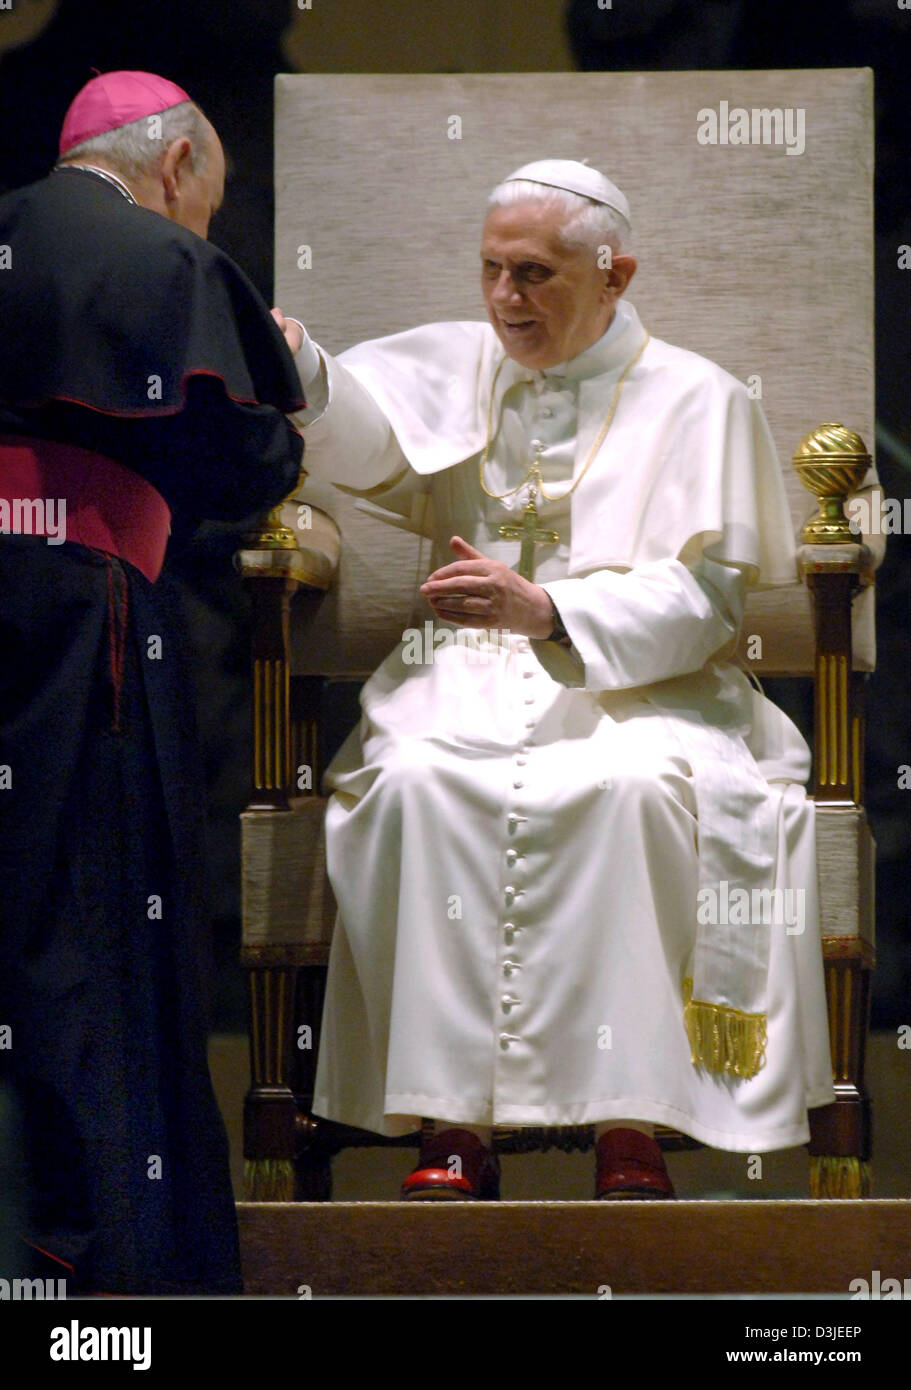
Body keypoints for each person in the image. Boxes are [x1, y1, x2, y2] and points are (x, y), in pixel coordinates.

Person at [279, 159, 834, 1200]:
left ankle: (632, 1120)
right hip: (461, 679)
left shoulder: (698, 397)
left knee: (633, 789)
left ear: (614, 275)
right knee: (414, 787)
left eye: (533, 273)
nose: (504, 298)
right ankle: (450, 1126)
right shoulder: (466, 367)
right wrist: (303, 365)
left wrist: (550, 611)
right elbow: (369, 434)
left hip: (643, 684)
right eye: (490, 270)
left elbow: (708, 603)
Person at [0, 71, 305, 1291]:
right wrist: (287, 389)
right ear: (176, 167)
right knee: (92, 931)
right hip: (74, 624)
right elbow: (244, 457)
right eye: (206, 202)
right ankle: (103, 1285)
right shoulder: (156, 257)